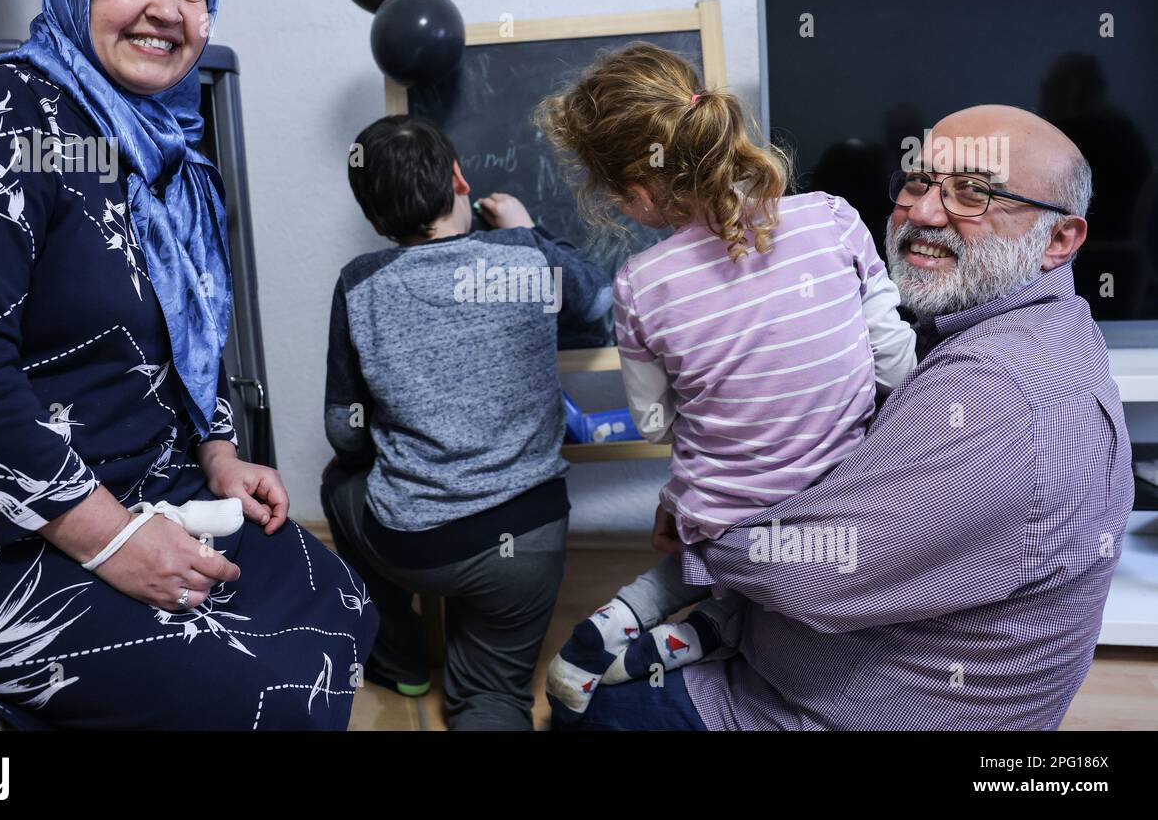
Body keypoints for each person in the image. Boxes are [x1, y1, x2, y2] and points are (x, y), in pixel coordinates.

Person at [0, 0, 376, 730]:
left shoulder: (169, 150)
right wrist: (107, 540)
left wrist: (216, 451)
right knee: (252, 695)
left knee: (342, 605)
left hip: (144, 483)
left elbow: (188, 332)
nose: (165, 9)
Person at [556, 103, 1133, 730]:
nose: (925, 211)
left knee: (584, 710)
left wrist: (702, 532)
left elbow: (811, 569)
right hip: (795, 661)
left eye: (974, 192)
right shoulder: (1009, 334)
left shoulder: (1009, 402)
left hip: (796, 710)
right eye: (919, 181)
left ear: (1059, 239)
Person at [533, 43, 917, 723]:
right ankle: (696, 631)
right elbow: (895, 365)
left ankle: (632, 620)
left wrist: (696, 482)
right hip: (837, 514)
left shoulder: (641, 286)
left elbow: (660, 428)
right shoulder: (831, 217)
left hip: (725, 525)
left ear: (641, 191)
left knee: (721, 537)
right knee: (764, 564)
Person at [320, 115, 610, 730]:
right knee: (493, 698)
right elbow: (599, 303)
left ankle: (399, 655)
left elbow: (344, 432)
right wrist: (531, 231)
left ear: (375, 219)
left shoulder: (359, 283)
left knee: (336, 486)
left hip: (415, 544)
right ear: (459, 177)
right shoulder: (524, 257)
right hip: (526, 541)